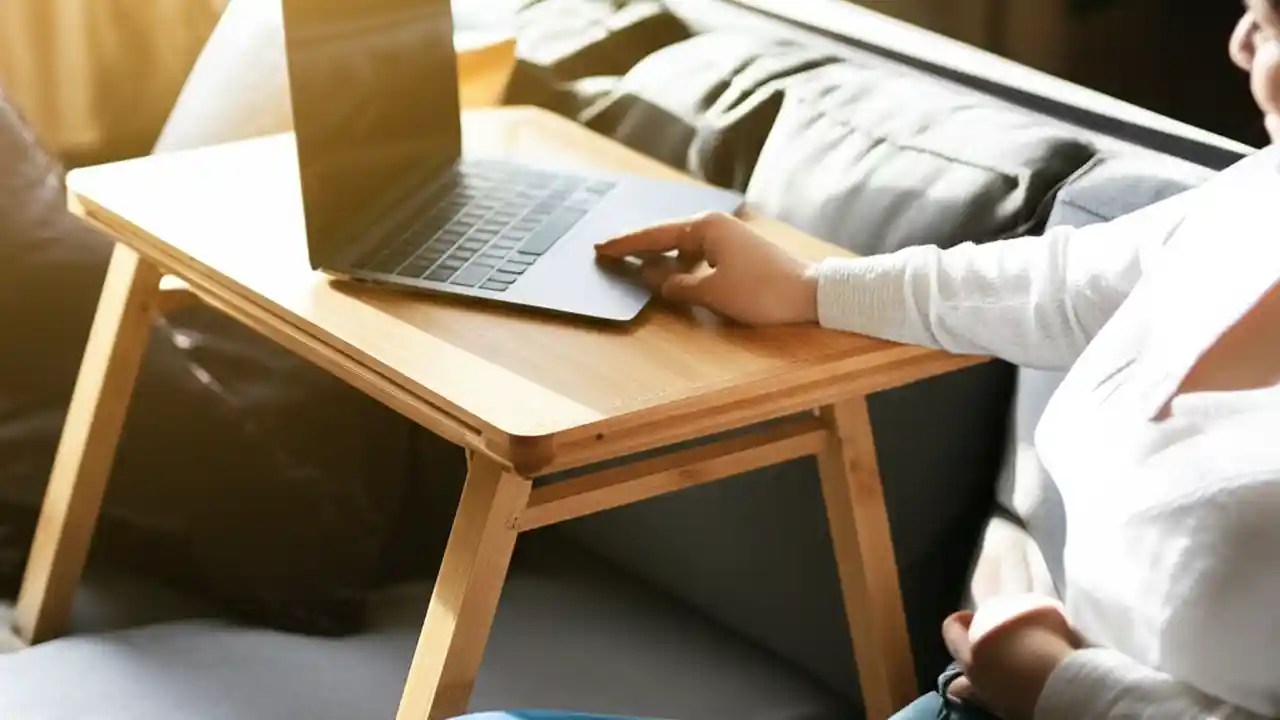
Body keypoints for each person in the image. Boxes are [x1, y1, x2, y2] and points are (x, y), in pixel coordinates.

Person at [459, 1, 1280, 718]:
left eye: (1269, 19)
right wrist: (811, 289)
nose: (1240, 46)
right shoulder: (1256, 196)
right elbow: (1063, 285)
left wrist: (1053, 683)